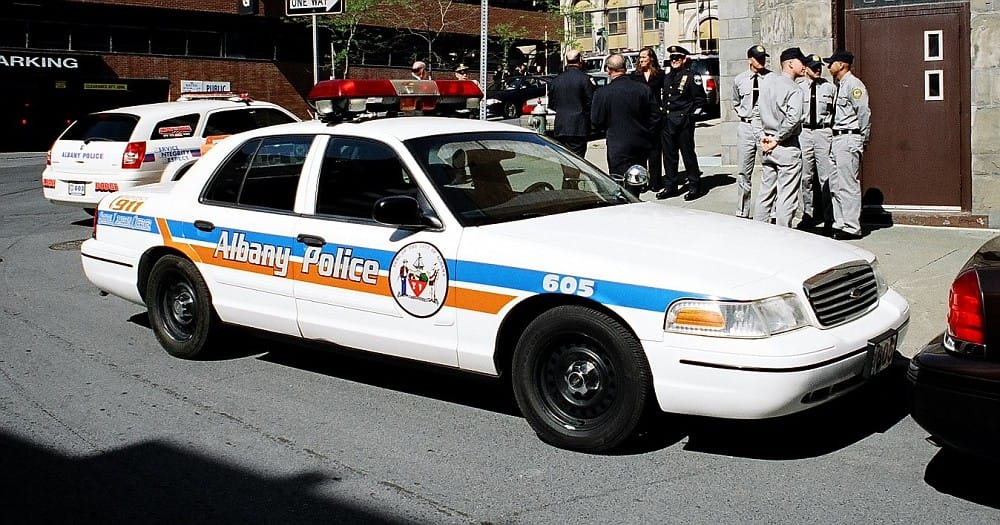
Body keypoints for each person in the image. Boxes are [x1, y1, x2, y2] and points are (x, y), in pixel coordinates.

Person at [756, 47, 807, 228]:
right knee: (787, 196)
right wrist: (777, 139)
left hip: (767, 144)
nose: (805, 66)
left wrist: (762, 137)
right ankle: (783, 234)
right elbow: (793, 119)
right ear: (790, 63)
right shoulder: (794, 89)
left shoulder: (767, 85)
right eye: (801, 62)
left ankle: (758, 231)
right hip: (785, 146)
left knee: (765, 193)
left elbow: (756, 114)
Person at [591, 53, 658, 190]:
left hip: (617, 144)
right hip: (640, 142)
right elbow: (655, 116)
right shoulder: (643, 89)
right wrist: (646, 132)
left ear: (608, 70)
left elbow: (596, 121)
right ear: (625, 68)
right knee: (636, 181)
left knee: (620, 183)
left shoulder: (602, 93)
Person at [825, 49, 871, 240]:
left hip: (849, 137)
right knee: (835, 184)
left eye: (832, 63)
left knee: (848, 184)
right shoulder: (839, 85)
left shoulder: (853, 84)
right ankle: (840, 223)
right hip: (836, 138)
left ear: (842, 64)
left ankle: (852, 226)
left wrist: (863, 138)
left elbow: (863, 112)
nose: (828, 66)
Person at [658, 45, 706, 201]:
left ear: (684, 59)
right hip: (667, 122)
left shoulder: (692, 76)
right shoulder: (667, 76)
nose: (674, 60)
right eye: (672, 58)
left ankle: (694, 186)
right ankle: (670, 186)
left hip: (683, 122)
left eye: (677, 58)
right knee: (669, 156)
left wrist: (691, 117)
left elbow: (700, 100)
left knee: (688, 155)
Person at [798, 53, 837, 231]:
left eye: (819, 67)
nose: (818, 70)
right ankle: (807, 214)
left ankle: (829, 217)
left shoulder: (829, 88)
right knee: (805, 176)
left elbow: (835, 112)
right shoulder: (798, 88)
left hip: (823, 132)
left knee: (826, 177)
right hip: (804, 132)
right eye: (814, 67)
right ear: (806, 68)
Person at [732, 45, 772, 217]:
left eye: (763, 57)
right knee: (743, 171)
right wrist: (743, 114)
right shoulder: (740, 80)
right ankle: (743, 210)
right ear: (749, 59)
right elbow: (735, 101)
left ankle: (770, 211)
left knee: (769, 168)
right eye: (758, 58)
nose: (761, 61)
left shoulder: (771, 79)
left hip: (765, 127)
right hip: (746, 126)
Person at [630, 46, 666, 192]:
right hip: (640, 117)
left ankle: (656, 182)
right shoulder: (634, 76)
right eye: (640, 57)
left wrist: (662, 110)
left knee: (655, 151)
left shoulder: (660, 75)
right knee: (640, 152)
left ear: (651, 58)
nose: (641, 60)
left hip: (655, 117)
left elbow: (665, 93)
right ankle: (642, 181)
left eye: (644, 57)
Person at [547, 48, 596, 157]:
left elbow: (551, 103)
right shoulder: (585, 79)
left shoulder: (556, 80)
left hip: (561, 126)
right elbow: (591, 102)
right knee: (577, 159)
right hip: (578, 127)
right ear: (580, 60)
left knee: (564, 159)